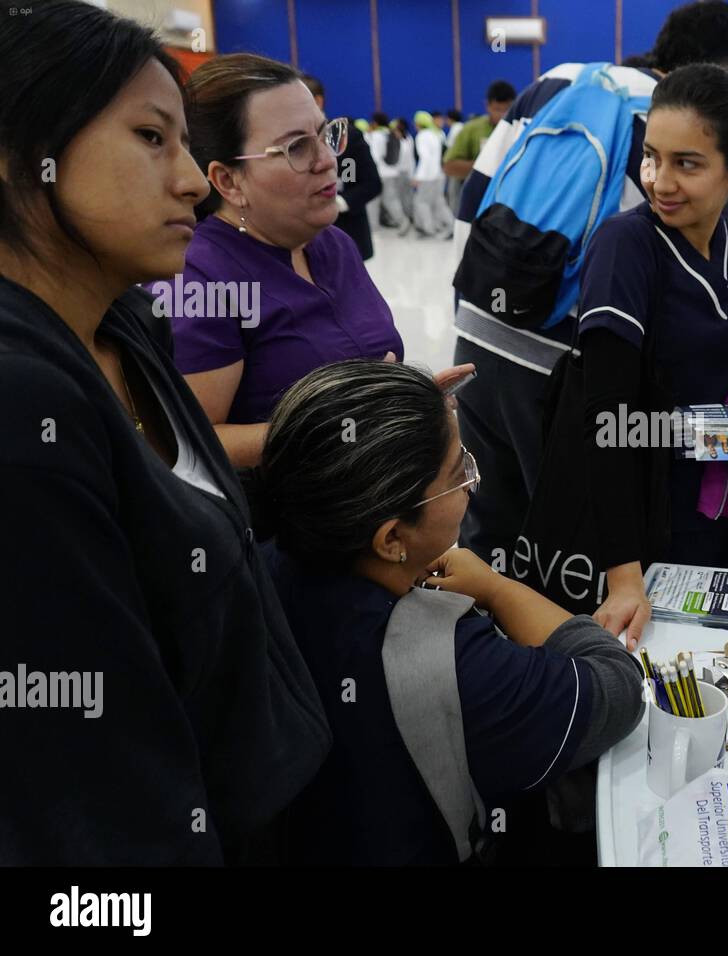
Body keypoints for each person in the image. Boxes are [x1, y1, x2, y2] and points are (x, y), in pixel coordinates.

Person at [0, 0, 329, 864]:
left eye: (184, 142)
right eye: (151, 138)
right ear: (20, 158)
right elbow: (90, 780)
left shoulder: (128, 326)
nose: (189, 178)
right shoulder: (23, 409)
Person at [258, 360, 644, 864]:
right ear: (393, 538)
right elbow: (618, 687)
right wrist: (499, 589)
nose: (470, 484)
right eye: (457, 471)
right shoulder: (454, 665)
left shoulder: (266, 565)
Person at [448, 0, 728, 572]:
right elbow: (644, 267)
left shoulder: (558, 80)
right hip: (561, 362)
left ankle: (483, 651)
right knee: (563, 539)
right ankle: (560, 658)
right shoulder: (661, 120)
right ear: (721, 74)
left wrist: (468, 312)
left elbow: (476, 197)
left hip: (478, 335)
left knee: (488, 523)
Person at [577, 63, 728, 646]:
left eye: (686, 163)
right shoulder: (626, 247)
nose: (660, 181)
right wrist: (624, 577)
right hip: (646, 522)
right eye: (652, 157)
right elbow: (607, 424)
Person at [173, 54, 409, 468]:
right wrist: (335, 426)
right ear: (228, 181)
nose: (327, 159)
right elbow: (186, 444)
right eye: (297, 147)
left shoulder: (333, 245)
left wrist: (408, 399)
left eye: (325, 134)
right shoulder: (200, 278)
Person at [301, 75, 381, 261]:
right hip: (303, 242)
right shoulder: (287, 142)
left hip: (346, 234)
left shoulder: (346, 137)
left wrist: (338, 203)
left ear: (318, 101)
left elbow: (371, 183)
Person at [442, 80, 516, 182]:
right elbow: (448, 166)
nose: (502, 115)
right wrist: (483, 166)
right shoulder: (472, 129)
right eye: (497, 109)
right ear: (487, 105)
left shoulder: (521, 130)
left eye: (507, 110)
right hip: (478, 191)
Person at [412, 110, 453, 239]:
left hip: (428, 175)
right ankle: (450, 224)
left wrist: (418, 176)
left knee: (421, 202)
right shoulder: (436, 134)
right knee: (438, 201)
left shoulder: (422, 136)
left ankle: (428, 229)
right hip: (438, 174)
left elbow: (425, 158)